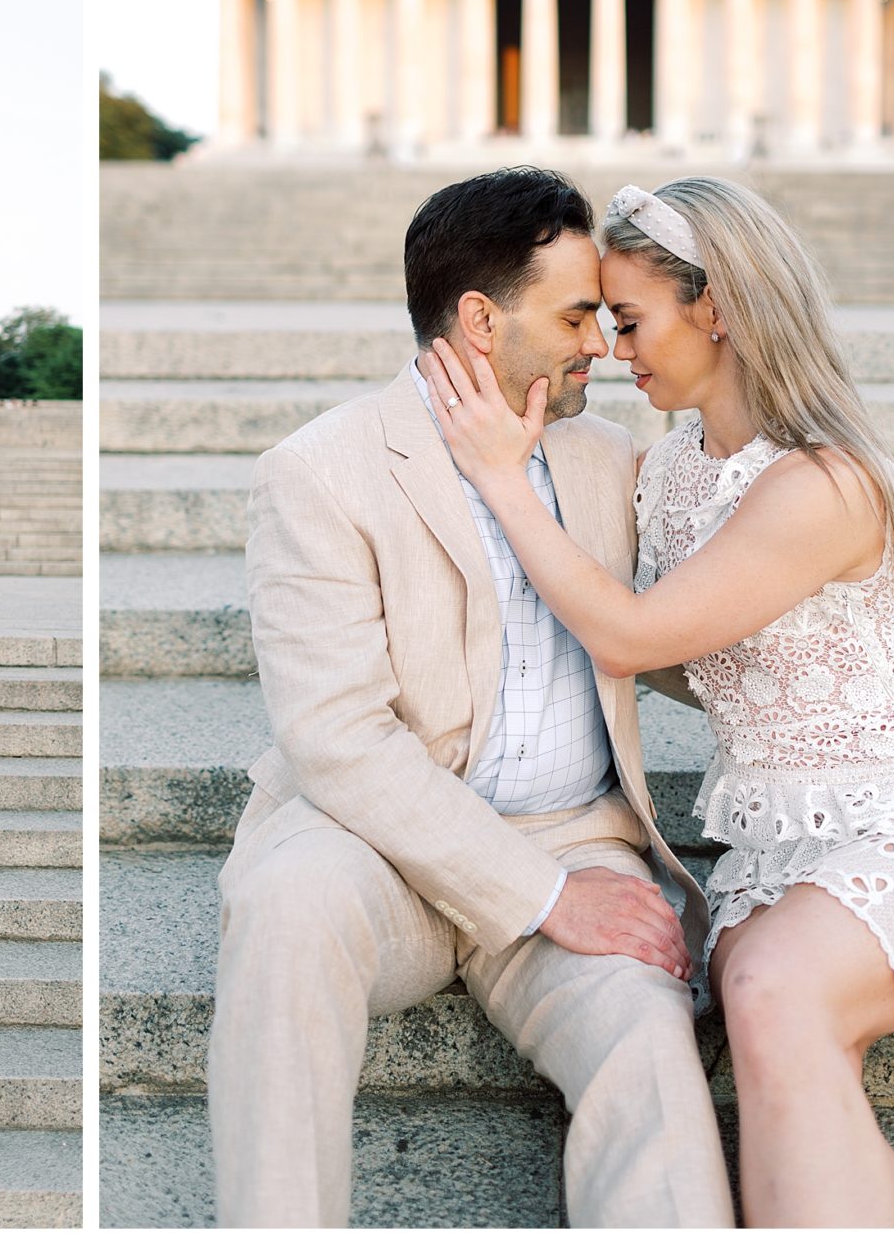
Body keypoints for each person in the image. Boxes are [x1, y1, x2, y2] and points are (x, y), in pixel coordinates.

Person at [423, 176, 894, 1227]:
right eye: (601, 320)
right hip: (783, 837)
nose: (612, 347)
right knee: (757, 995)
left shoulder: (820, 482)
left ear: (718, 308)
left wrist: (501, 480)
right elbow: (684, 656)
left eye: (632, 319)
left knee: (771, 990)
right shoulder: (671, 471)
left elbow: (632, 632)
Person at [212, 167, 733, 1228]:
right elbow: (336, 737)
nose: (600, 343)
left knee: (646, 1028)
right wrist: (538, 893)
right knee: (282, 909)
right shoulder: (315, 470)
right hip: (373, 847)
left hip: (578, 833)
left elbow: (661, 636)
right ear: (480, 319)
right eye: (575, 313)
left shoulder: (605, 453)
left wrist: (861, 703)